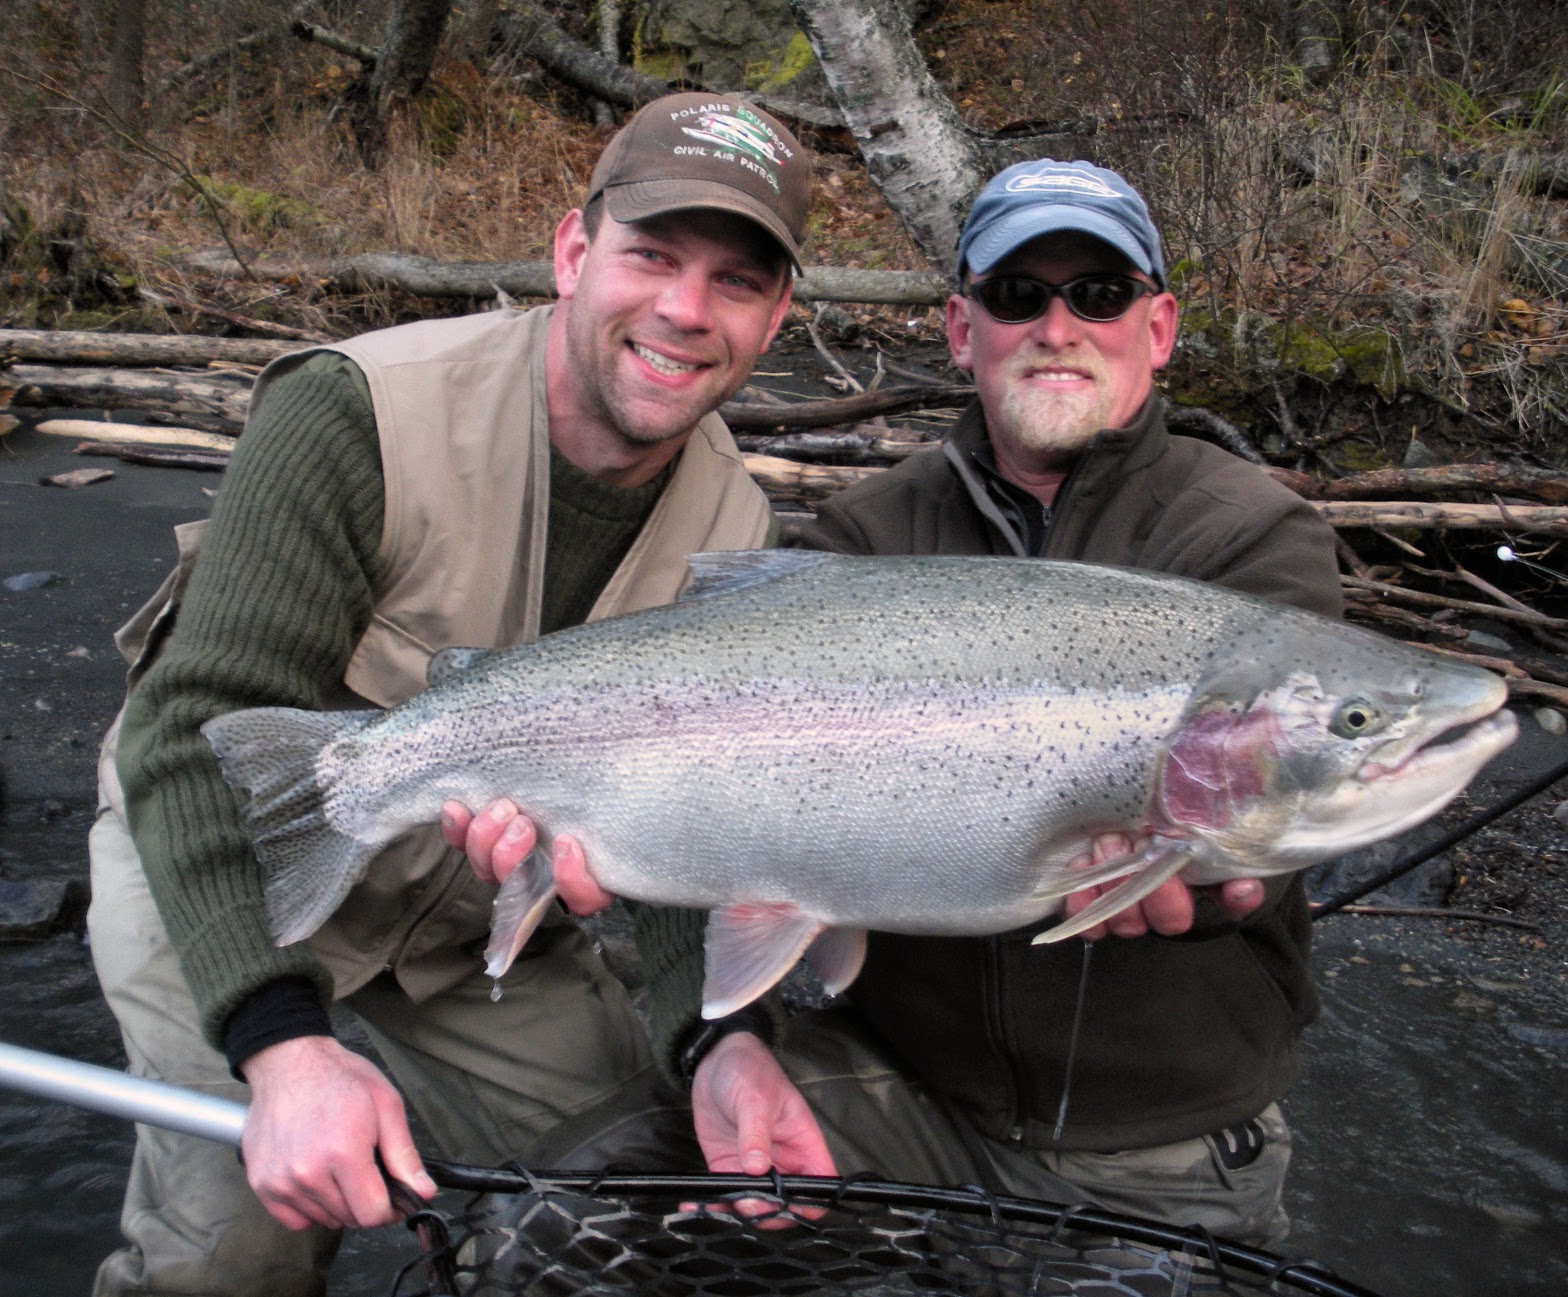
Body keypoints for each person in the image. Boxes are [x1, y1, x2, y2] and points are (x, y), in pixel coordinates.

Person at [456, 159, 1343, 1247]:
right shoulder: (867, 536)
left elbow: (1291, 797)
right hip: (891, 1094)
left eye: (1098, 295)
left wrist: (1215, 883)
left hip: (1162, 1150)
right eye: (1018, 296)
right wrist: (714, 1015)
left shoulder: (1248, 537)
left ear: (1156, 328)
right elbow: (734, 795)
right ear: (961, 331)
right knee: (545, 1235)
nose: (1057, 325)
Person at [85, 92, 812, 1297]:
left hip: (473, 918)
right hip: (215, 849)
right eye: (651, 256)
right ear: (574, 253)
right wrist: (281, 1042)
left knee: (618, 1208)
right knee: (238, 1250)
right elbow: (195, 735)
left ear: (776, 316)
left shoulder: (737, 530)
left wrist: (722, 1036)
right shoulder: (357, 411)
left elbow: (702, 832)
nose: (686, 311)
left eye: (736, 280)